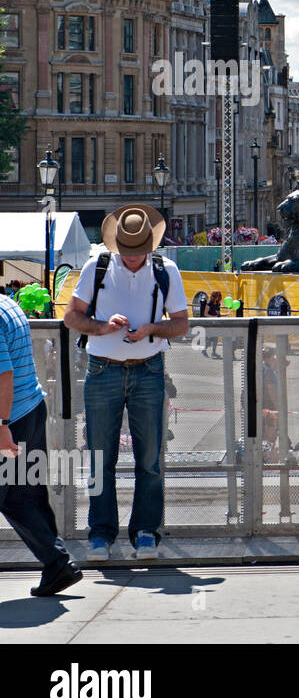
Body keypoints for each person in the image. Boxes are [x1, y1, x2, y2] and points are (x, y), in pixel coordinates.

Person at [64, 204, 188, 561]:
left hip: (149, 369)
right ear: (116, 246)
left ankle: (145, 533)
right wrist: (103, 327)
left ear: (150, 246)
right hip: (102, 369)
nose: (133, 259)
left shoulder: (167, 270)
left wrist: (151, 329)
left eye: (139, 253)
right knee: (99, 457)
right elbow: (72, 316)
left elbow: (181, 324)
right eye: (127, 253)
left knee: (149, 457)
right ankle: (101, 534)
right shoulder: (97, 266)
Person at [0, 288, 82, 595]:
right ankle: (57, 565)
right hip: (29, 409)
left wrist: (1, 426)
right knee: (22, 497)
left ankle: (57, 564)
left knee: (19, 495)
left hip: (10, 418)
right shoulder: (8, 303)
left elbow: (2, 375)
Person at [201, 290, 222, 358]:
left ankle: (213, 352)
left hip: (215, 324)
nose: (218, 297)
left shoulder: (218, 304)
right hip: (209, 323)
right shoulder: (209, 304)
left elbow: (218, 314)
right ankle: (204, 350)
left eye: (219, 296)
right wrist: (213, 317)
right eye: (217, 296)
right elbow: (205, 314)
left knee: (215, 339)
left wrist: (224, 315)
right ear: (213, 296)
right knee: (210, 338)